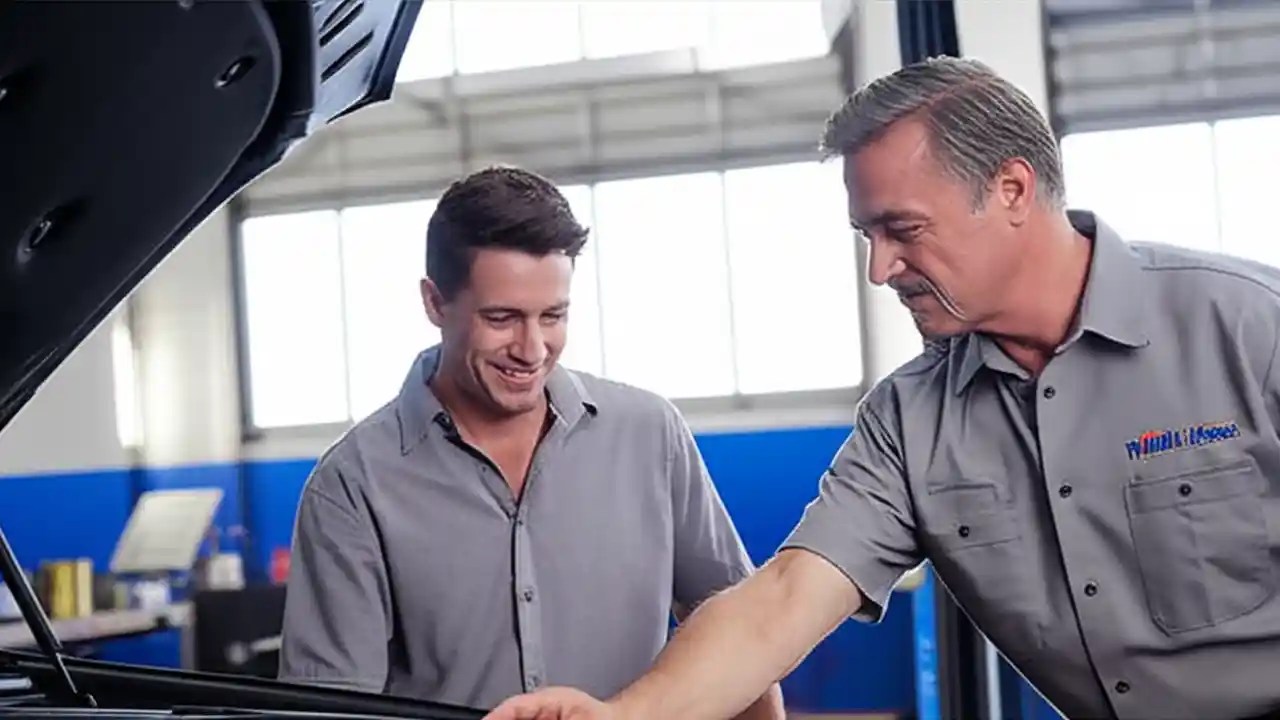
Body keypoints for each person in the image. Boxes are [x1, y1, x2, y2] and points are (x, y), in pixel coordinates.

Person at [483, 56, 1280, 720]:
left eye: (904, 229)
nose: (880, 268)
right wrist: (627, 718)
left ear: (1010, 190)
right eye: (868, 235)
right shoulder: (911, 420)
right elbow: (782, 601)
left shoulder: (1248, 328)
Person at [276, 165, 784, 718]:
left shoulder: (649, 435)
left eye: (553, 316)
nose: (532, 348)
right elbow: (331, 711)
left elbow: (740, 639)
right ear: (434, 303)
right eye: (502, 318)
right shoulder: (352, 485)